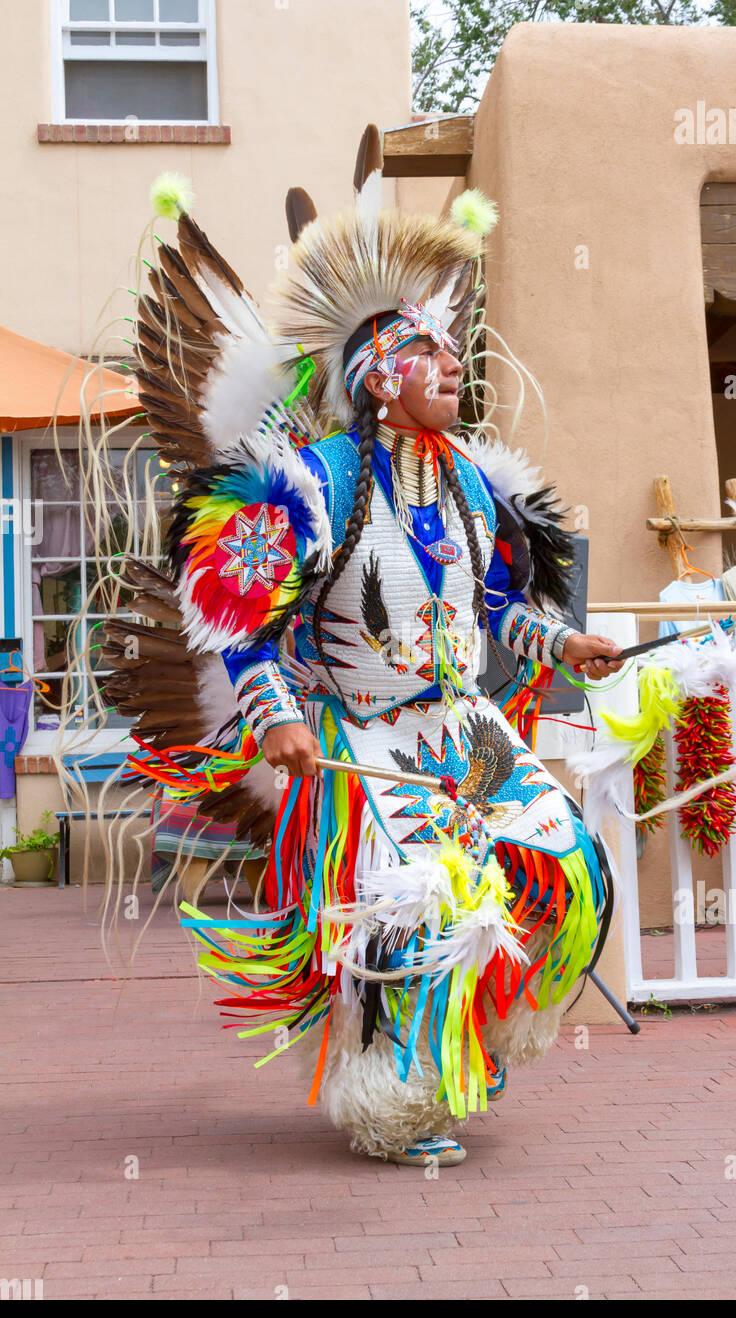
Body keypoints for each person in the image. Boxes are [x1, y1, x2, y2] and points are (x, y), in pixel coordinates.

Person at [105, 138, 623, 1168]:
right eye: (430, 354)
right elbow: (240, 622)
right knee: (422, 898)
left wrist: (561, 638)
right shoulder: (314, 484)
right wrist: (278, 717)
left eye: (448, 350)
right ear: (381, 376)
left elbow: (495, 607)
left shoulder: (469, 484)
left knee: (569, 867)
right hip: (365, 738)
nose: (450, 368)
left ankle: (468, 1041)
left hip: (460, 727)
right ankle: (393, 1093)